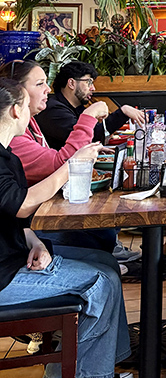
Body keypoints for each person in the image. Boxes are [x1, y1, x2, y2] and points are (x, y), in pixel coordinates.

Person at [0, 78, 132, 378]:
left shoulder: (8, 154)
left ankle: (96, 372)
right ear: (16, 110)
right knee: (99, 282)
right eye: (28, 106)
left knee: (105, 263)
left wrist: (34, 240)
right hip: (4, 277)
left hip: (15, 257)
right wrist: (71, 167)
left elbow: (10, 215)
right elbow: (19, 204)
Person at [0, 60, 118, 256]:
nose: (48, 89)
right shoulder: (14, 138)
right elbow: (58, 165)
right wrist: (88, 116)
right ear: (16, 96)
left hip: (28, 226)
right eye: (40, 84)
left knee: (102, 234)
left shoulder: (30, 126)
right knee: (99, 239)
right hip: (23, 232)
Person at [35, 61, 144, 150]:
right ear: (71, 83)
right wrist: (122, 112)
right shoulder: (53, 110)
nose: (93, 88)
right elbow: (91, 136)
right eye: (89, 82)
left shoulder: (74, 107)